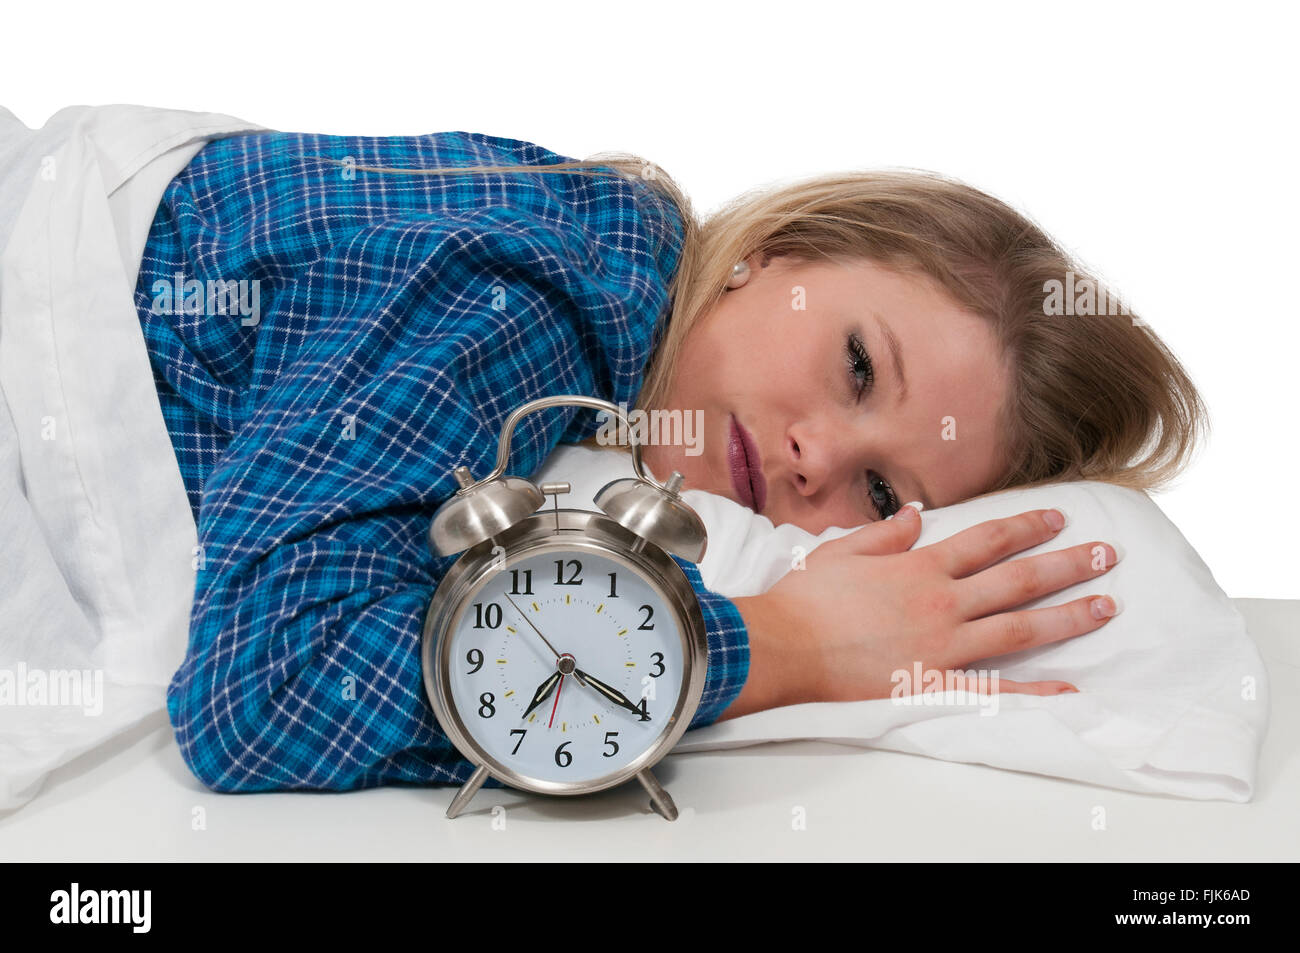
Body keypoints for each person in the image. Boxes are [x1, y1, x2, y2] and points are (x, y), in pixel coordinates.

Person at [136, 128, 1204, 792]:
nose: (813, 456)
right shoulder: (523, 287)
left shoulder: (606, 353)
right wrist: (779, 642)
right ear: (773, 256)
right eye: (857, 364)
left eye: (880, 491)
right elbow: (265, 691)